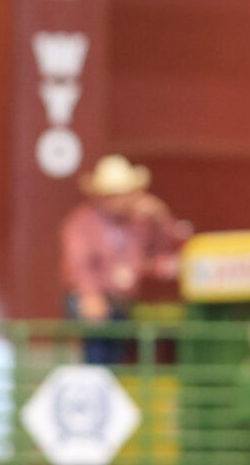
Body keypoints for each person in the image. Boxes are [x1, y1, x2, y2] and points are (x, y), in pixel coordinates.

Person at [58, 154, 189, 363]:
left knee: (116, 356)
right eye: (114, 195)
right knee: (97, 353)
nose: (121, 200)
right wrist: (91, 294)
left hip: (123, 301)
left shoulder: (140, 223)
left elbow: (167, 246)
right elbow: (79, 264)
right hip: (92, 298)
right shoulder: (83, 222)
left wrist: (160, 216)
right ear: (101, 196)